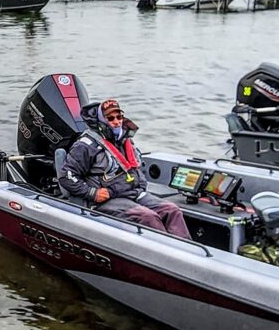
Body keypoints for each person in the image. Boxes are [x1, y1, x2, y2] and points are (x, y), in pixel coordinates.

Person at [57, 98, 191, 239]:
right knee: (148, 217)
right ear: (102, 120)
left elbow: (136, 167)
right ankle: (165, 254)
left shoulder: (125, 141)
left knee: (172, 210)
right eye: (111, 118)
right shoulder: (85, 146)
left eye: (119, 116)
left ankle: (189, 254)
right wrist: (92, 193)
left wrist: (141, 184)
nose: (116, 121)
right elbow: (67, 176)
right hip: (108, 199)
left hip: (133, 193)